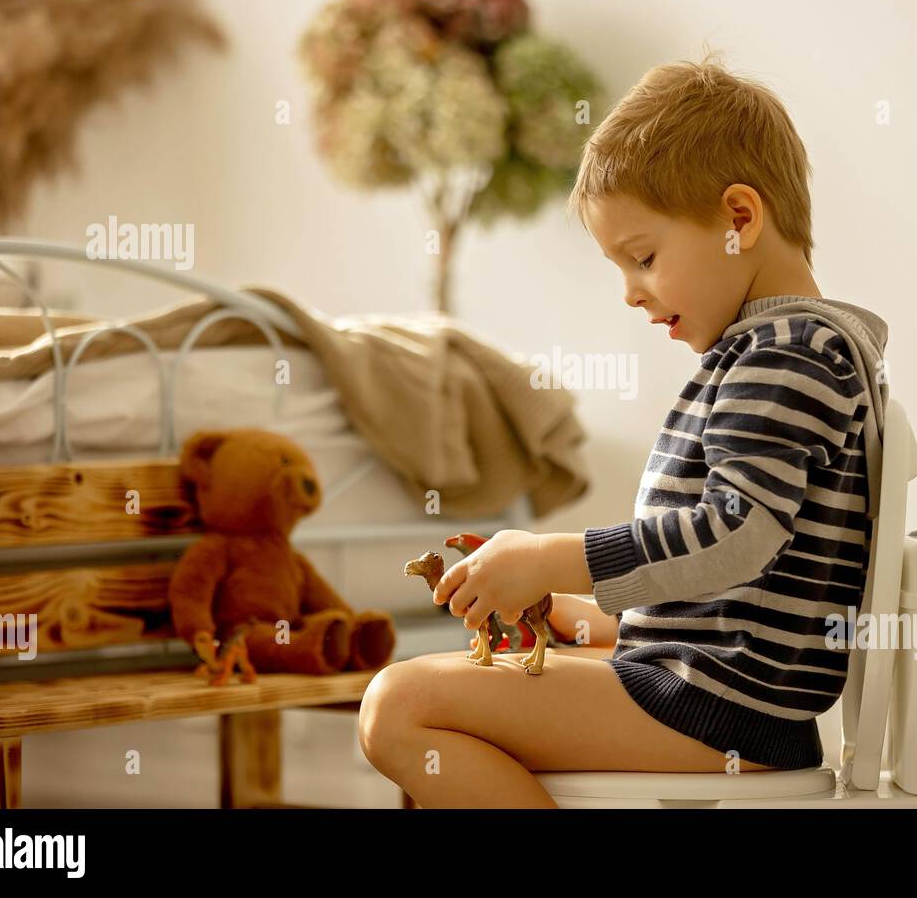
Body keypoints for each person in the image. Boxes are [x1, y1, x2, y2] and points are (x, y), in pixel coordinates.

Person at [359, 55, 890, 808]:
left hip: (718, 708)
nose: (632, 294)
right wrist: (596, 614)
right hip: (721, 694)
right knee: (450, 690)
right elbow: (741, 584)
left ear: (740, 219)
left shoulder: (786, 356)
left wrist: (553, 557)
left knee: (399, 707)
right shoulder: (791, 353)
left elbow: (736, 535)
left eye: (643, 257)